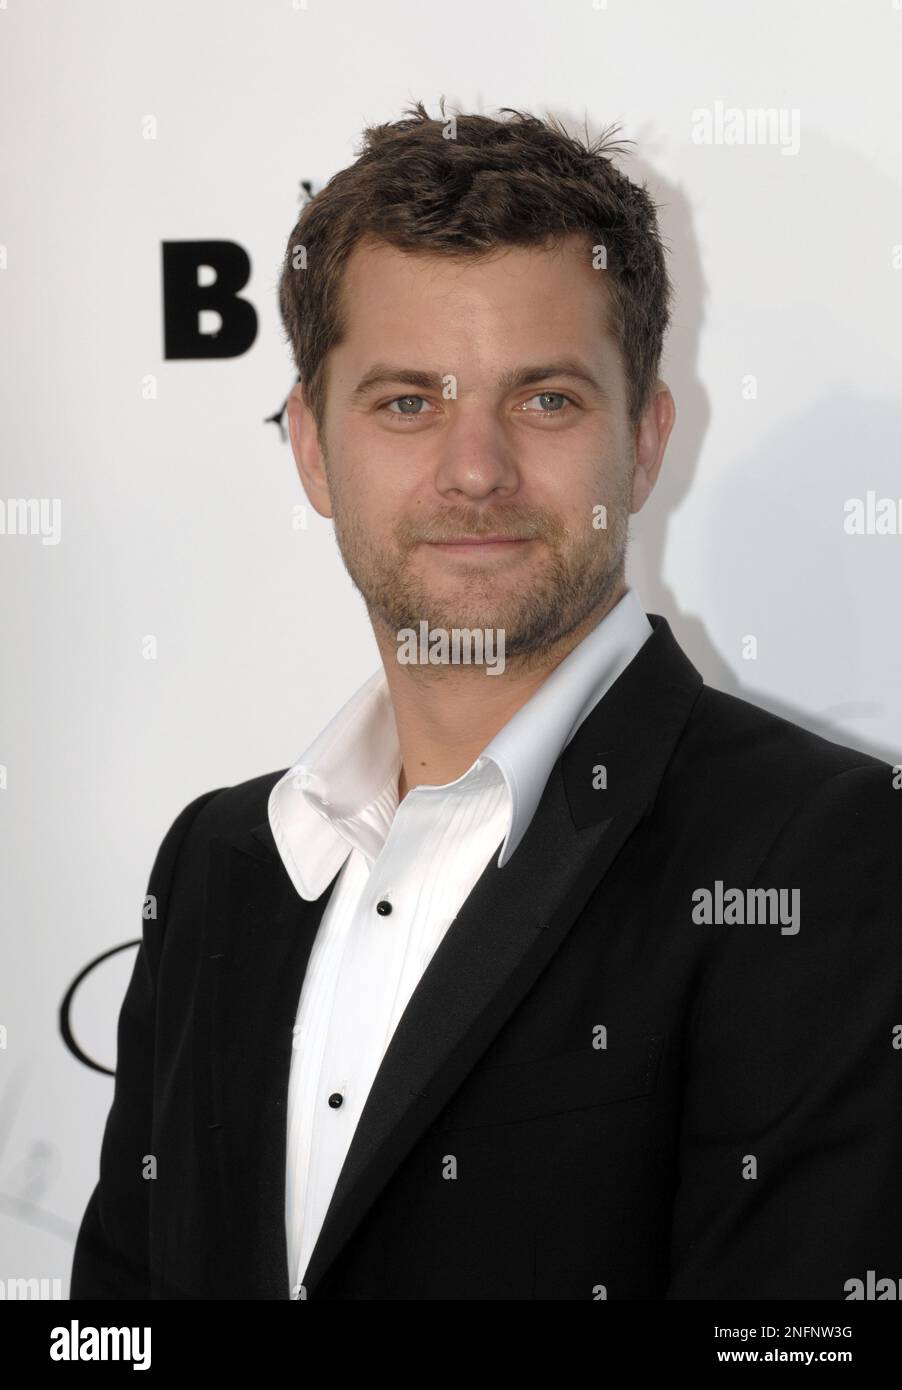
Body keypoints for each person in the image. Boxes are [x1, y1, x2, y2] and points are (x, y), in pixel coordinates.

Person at [71, 100, 902, 1301]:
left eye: (545, 399)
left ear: (645, 438)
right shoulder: (219, 861)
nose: (476, 469)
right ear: (310, 447)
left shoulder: (822, 848)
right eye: (407, 401)